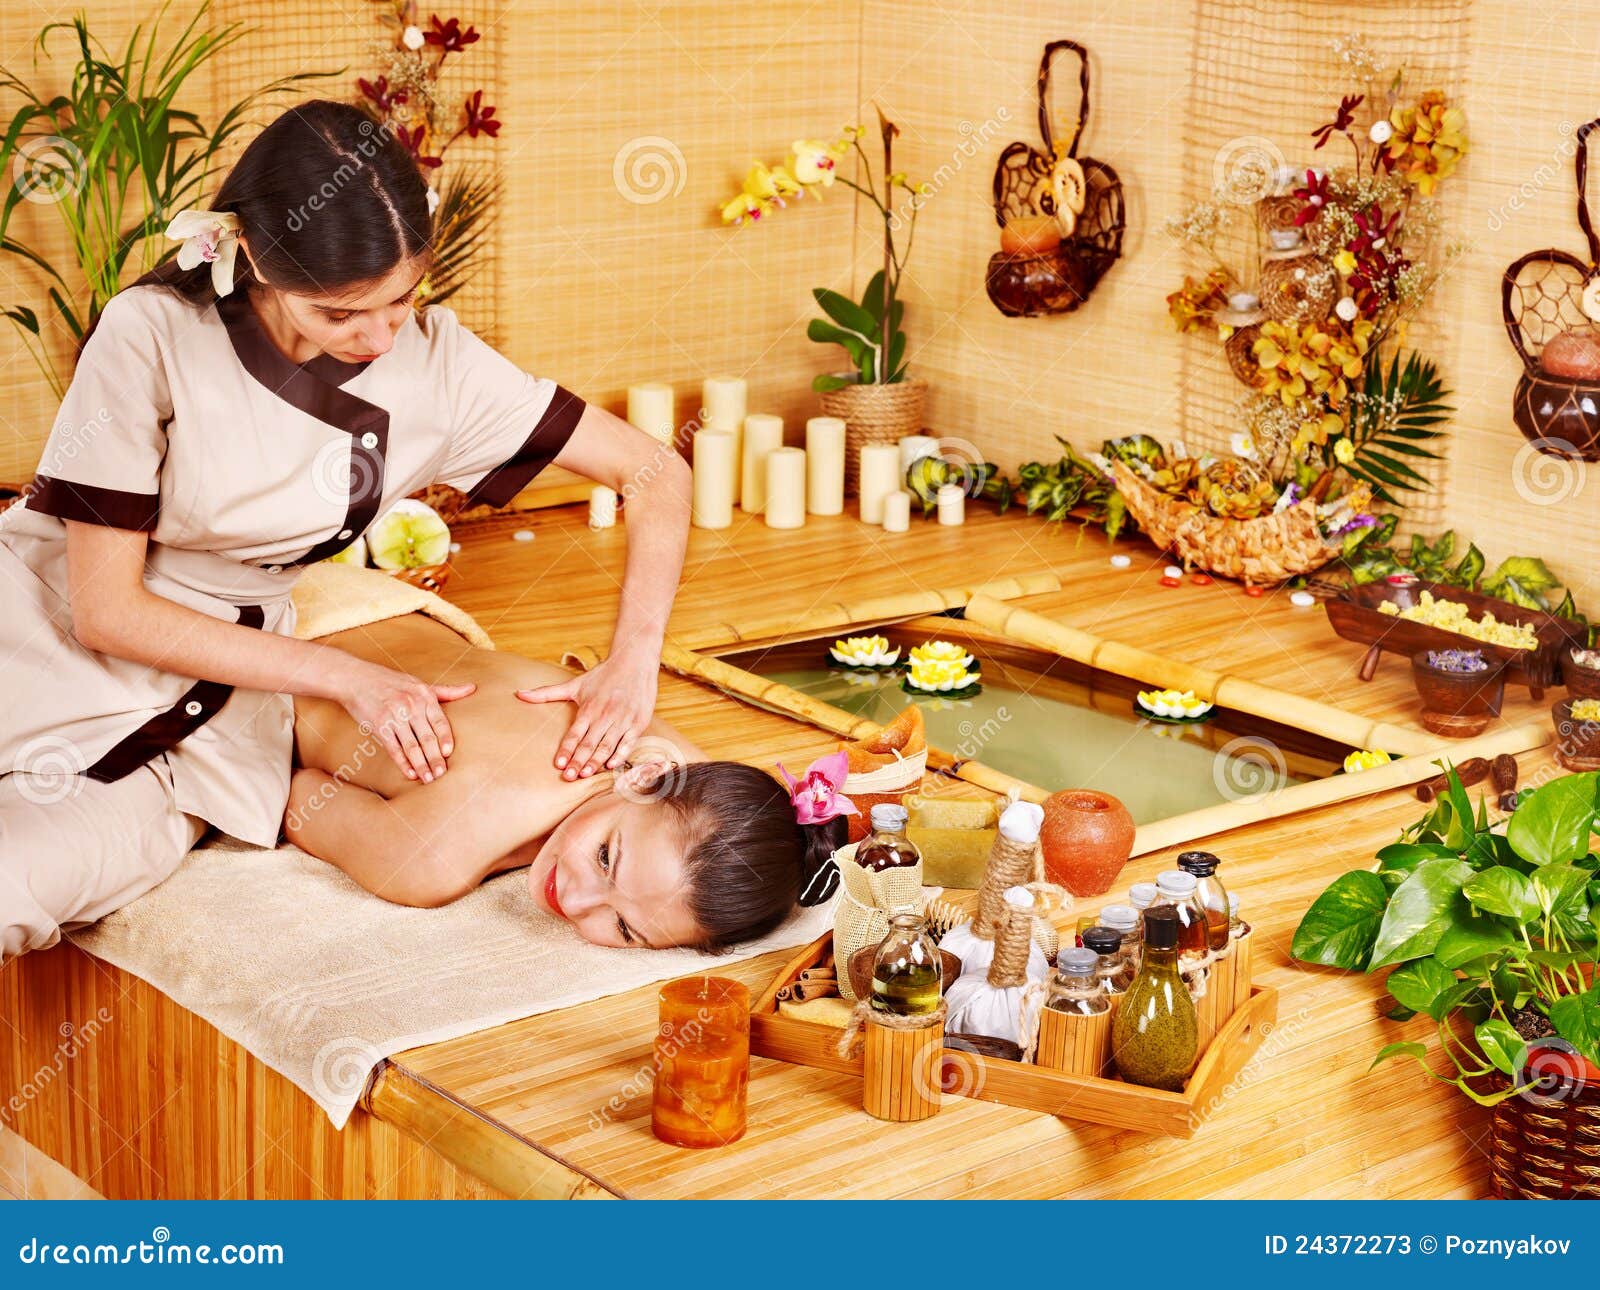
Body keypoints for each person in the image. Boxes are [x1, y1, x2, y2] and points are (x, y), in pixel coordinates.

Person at [0, 101, 691, 963]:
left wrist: (633, 661)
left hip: (202, 724)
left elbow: (657, 474)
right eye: (339, 314)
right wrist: (349, 679)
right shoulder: (153, 335)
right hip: (33, 617)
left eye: (401, 299)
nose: (378, 336)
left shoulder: (441, 367)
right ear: (252, 256)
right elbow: (107, 612)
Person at [288, 612, 849, 950]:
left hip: (382, 602)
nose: (577, 901)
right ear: (647, 777)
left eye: (626, 929)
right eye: (606, 859)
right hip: (264, 659)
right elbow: (298, 797)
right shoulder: (434, 860)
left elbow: (728, 809)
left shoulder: (648, 749)